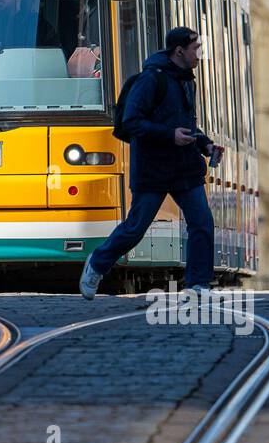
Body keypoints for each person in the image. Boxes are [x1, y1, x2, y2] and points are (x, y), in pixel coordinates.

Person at [79, 27, 218, 300]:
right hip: (153, 169)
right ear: (179, 51)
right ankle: (97, 264)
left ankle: (198, 285)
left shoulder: (187, 81)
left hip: (184, 168)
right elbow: (131, 121)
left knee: (202, 221)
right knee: (135, 228)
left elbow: (186, 124)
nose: (199, 55)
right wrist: (169, 135)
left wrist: (205, 144)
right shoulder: (150, 80)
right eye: (196, 49)